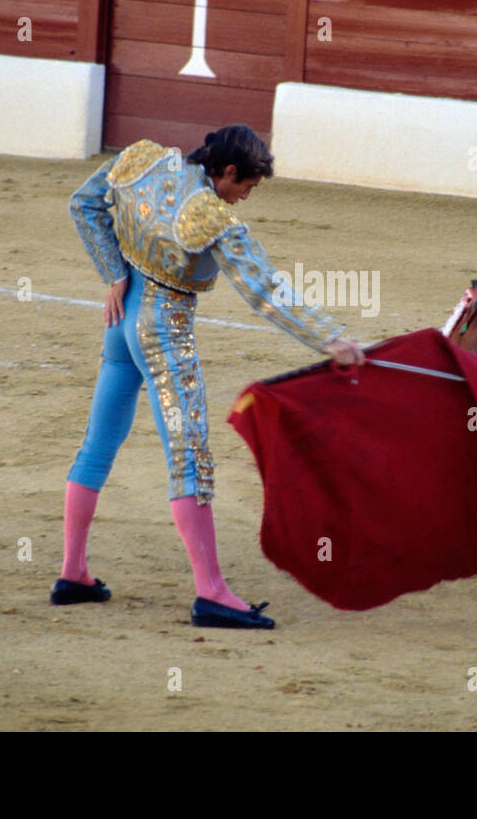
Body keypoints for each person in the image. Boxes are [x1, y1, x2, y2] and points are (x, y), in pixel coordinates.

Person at [57, 127, 365, 630]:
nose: (245, 196)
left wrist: (114, 272)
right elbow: (264, 287)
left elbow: (84, 204)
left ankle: (74, 573)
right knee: (189, 454)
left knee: (98, 443)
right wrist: (329, 339)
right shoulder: (209, 214)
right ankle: (212, 593)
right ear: (225, 173)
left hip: (121, 319)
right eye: (246, 186)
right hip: (163, 327)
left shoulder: (146, 158)